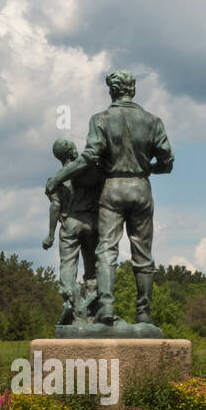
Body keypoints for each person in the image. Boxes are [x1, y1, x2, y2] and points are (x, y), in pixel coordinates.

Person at [45, 70, 173, 326]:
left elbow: (89, 157)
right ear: (133, 90)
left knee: (106, 249)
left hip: (113, 188)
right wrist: (147, 169)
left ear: (112, 91)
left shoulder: (100, 119)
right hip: (140, 188)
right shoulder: (153, 121)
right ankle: (144, 314)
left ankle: (105, 306)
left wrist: (59, 176)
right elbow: (167, 163)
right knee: (143, 254)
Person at [43, 138, 103, 325]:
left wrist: (51, 234)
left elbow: (55, 207)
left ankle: (71, 302)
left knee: (68, 264)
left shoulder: (55, 179)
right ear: (70, 153)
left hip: (69, 224)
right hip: (91, 222)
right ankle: (92, 305)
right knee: (92, 266)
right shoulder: (89, 173)